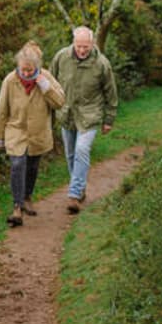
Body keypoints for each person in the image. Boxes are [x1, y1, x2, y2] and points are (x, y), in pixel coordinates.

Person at [0, 41, 65, 227]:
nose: (26, 73)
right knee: (17, 164)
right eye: (23, 69)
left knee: (32, 167)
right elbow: (1, 110)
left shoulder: (45, 77)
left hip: (38, 133)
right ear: (18, 66)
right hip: (16, 131)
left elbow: (60, 102)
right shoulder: (10, 81)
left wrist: (45, 87)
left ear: (37, 67)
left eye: (30, 70)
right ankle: (17, 208)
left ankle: (27, 197)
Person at [50, 26, 118, 214]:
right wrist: (50, 109)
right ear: (73, 42)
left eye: (86, 47)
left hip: (90, 115)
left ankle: (73, 194)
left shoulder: (102, 64)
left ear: (92, 43)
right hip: (67, 113)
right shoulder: (61, 57)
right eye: (79, 46)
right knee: (71, 154)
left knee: (81, 150)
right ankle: (79, 189)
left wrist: (109, 119)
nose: (82, 50)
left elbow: (110, 93)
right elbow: (50, 82)